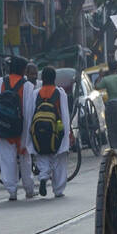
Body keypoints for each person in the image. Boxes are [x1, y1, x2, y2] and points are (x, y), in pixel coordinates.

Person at [0, 54, 36, 201]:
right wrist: (27, 135)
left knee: (7, 160)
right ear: (22, 69)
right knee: (25, 160)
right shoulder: (28, 86)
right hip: (21, 129)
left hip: (3, 128)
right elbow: (28, 111)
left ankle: (12, 191)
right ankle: (29, 189)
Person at [30, 66, 71, 198]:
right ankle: (58, 190)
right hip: (56, 129)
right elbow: (65, 115)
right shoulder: (60, 92)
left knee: (42, 156)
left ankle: (43, 177)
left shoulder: (35, 93)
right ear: (54, 78)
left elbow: (31, 114)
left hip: (39, 131)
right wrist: (67, 133)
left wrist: (30, 133)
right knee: (59, 159)